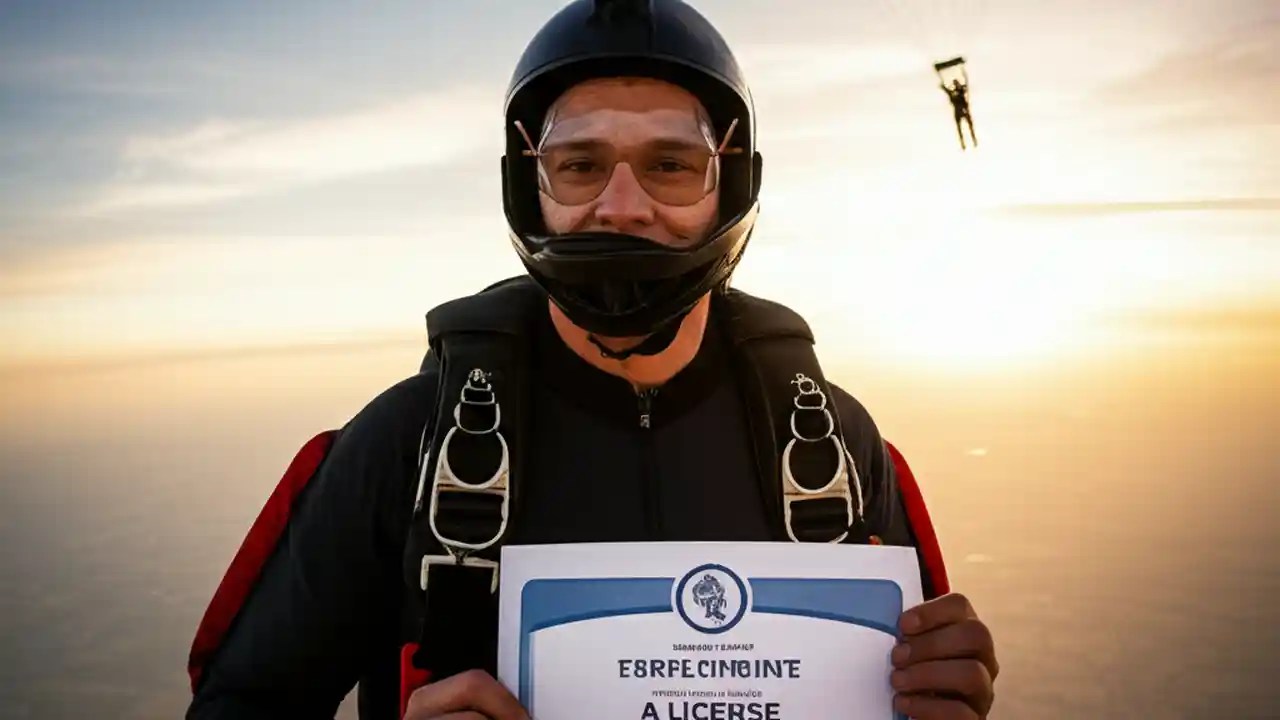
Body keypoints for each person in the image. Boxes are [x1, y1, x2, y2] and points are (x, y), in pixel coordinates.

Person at [185, 1, 999, 719]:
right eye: (577, 166)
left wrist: (940, 695)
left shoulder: (833, 451)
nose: (621, 205)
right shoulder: (407, 448)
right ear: (528, 185)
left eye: (671, 165)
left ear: (733, 181)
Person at [941, 71, 978, 151]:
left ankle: (972, 140)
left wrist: (964, 75)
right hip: (960, 110)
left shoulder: (959, 91)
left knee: (968, 126)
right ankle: (964, 142)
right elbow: (947, 90)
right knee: (961, 127)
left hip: (962, 110)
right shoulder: (955, 92)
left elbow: (964, 86)